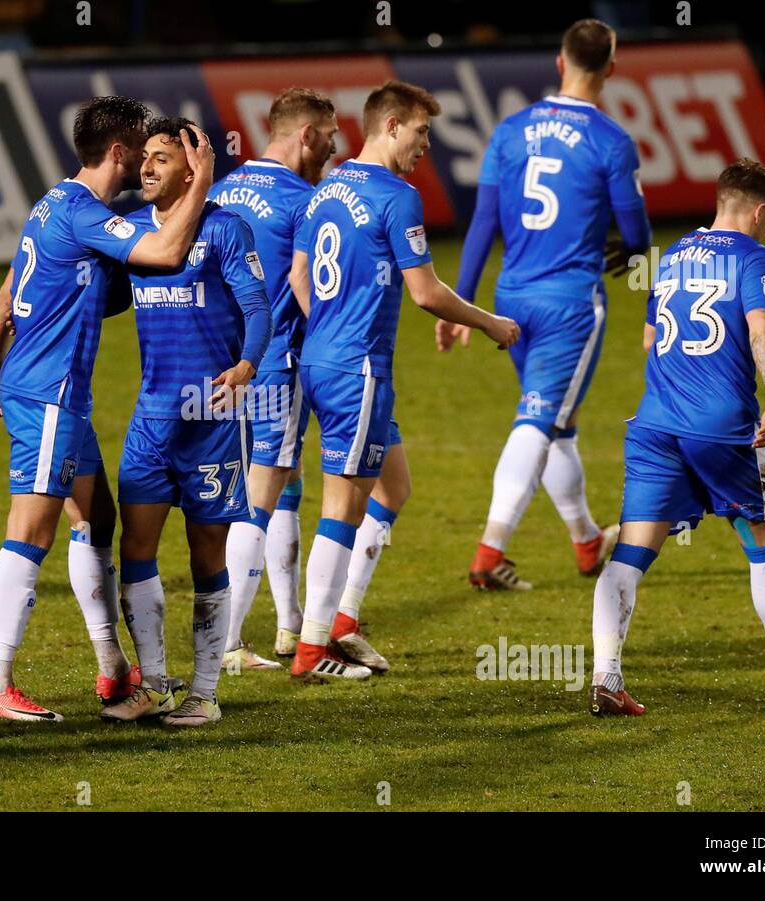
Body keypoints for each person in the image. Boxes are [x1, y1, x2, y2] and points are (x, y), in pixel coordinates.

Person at [0, 97, 215, 722]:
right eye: (140, 150)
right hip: (51, 390)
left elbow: (8, 288)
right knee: (32, 529)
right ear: (118, 152)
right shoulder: (83, 213)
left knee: (98, 518)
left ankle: (112, 667)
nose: (145, 161)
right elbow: (164, 253)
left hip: (51, 391)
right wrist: (204, 183)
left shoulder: (51, 202)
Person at [589, 158, 765, 716]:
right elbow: (764, 325)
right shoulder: (757, 258)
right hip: (724, 430)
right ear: (759, 211)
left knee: (630, 556)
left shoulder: (673, 256)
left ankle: (605, 679)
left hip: (656, 427)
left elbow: (648, 338)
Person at [287, 81, 520, 682]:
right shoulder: (397, 196)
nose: (425, 147)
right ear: (391, 126)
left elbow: (298, 274)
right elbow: (424, 293)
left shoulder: (325, 189)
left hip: (320, 360)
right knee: (342, 506)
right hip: (357, 370)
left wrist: (330, 330)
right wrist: (490, 322)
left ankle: (343, 620)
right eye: (421, 133)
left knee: (394, 487)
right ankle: (313, 650)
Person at [454, 18, 651, 591]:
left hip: (510, 299)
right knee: (539, 418)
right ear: (611, 69)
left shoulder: (511, 131)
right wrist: (627, 247)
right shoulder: (611, 140)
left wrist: (462, 306)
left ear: (560, 63)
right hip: (569, 303)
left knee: (556, 423)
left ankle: (588, 540)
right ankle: (490, 552)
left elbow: (483, 223)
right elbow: (636, 230)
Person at [100, 116, 270, 726]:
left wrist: (248, 363)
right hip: (151, 420)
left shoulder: (226, 228)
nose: (145, 168)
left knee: (206, 554)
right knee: (136, 546)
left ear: (193, 168)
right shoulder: (132, 234)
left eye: (161, 159)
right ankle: (156, 684)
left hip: (211, 417)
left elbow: (257, 304)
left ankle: (204, 692)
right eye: (143, 157)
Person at [209, 87, 337, 672]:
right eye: (331, 136)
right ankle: (227, 644)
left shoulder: (220, 189)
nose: (335, 149)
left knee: (283, 482)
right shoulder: (307, 201)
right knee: (256, 502)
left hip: (217, 365)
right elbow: (307, 282)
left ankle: (289, 625)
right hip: (277, 362)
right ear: (306, 134)